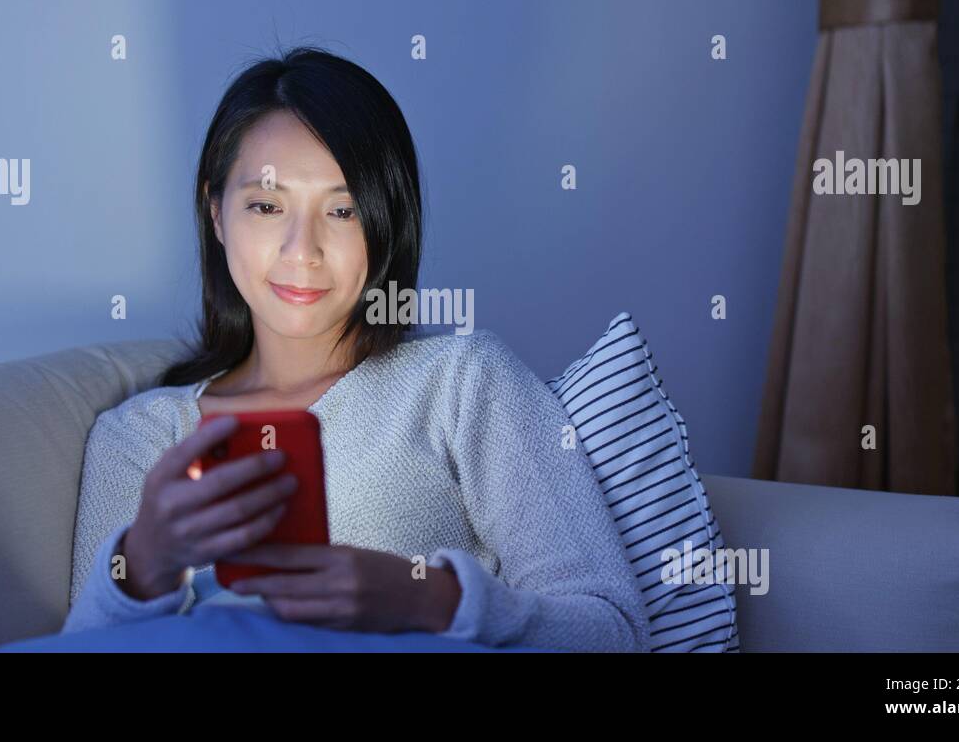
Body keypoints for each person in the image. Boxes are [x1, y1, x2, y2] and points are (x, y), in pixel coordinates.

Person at [63, 46, 650, 652]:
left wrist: (426, 598)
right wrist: (142, 566)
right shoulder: (137, 440)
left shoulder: (463, 383)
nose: (302, 250)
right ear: (216, 213)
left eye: (342, 210)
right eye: (266, 205)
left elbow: (615, 632)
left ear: (386, 221)